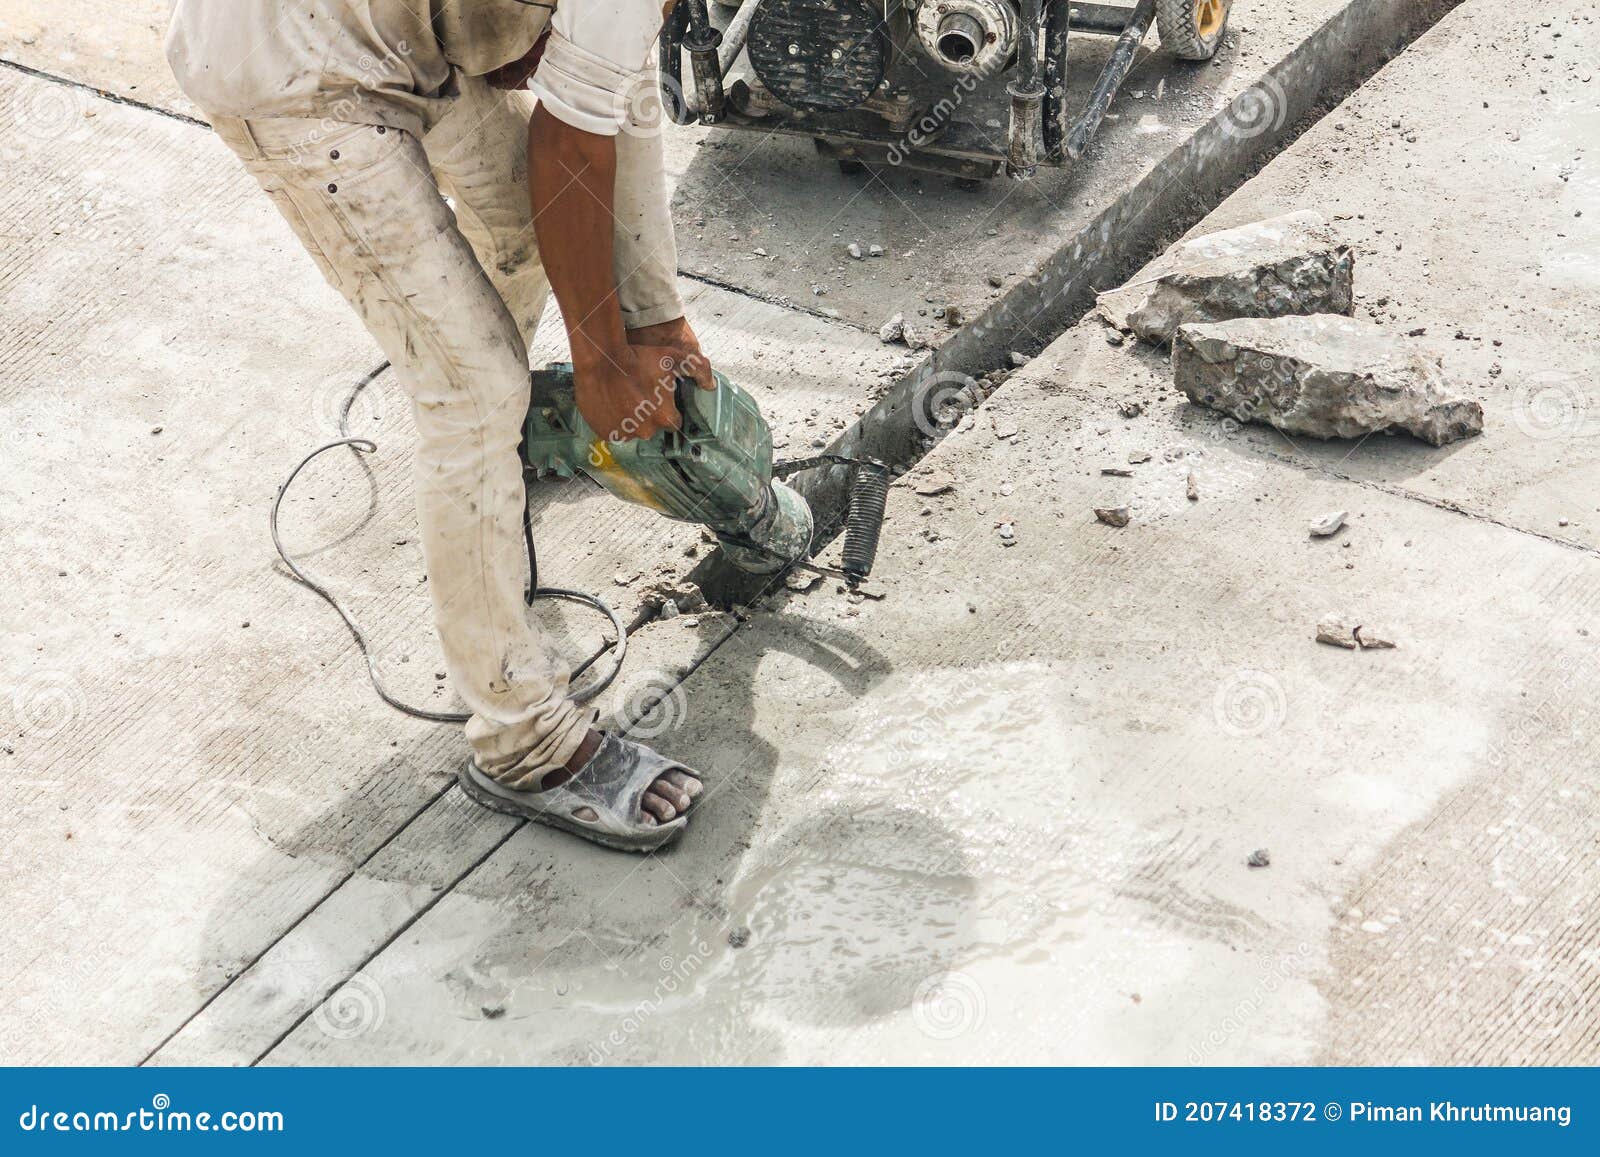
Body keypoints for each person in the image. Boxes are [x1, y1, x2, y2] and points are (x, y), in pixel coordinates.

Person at [165, 1, 707, 851]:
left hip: (397, 31)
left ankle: (485, 470)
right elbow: (572, 139)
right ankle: (524, 742)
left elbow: (615, 84)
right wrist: (605, 361)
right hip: (293, 69)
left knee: (525, 236)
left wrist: (655, 318)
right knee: (476, 395)